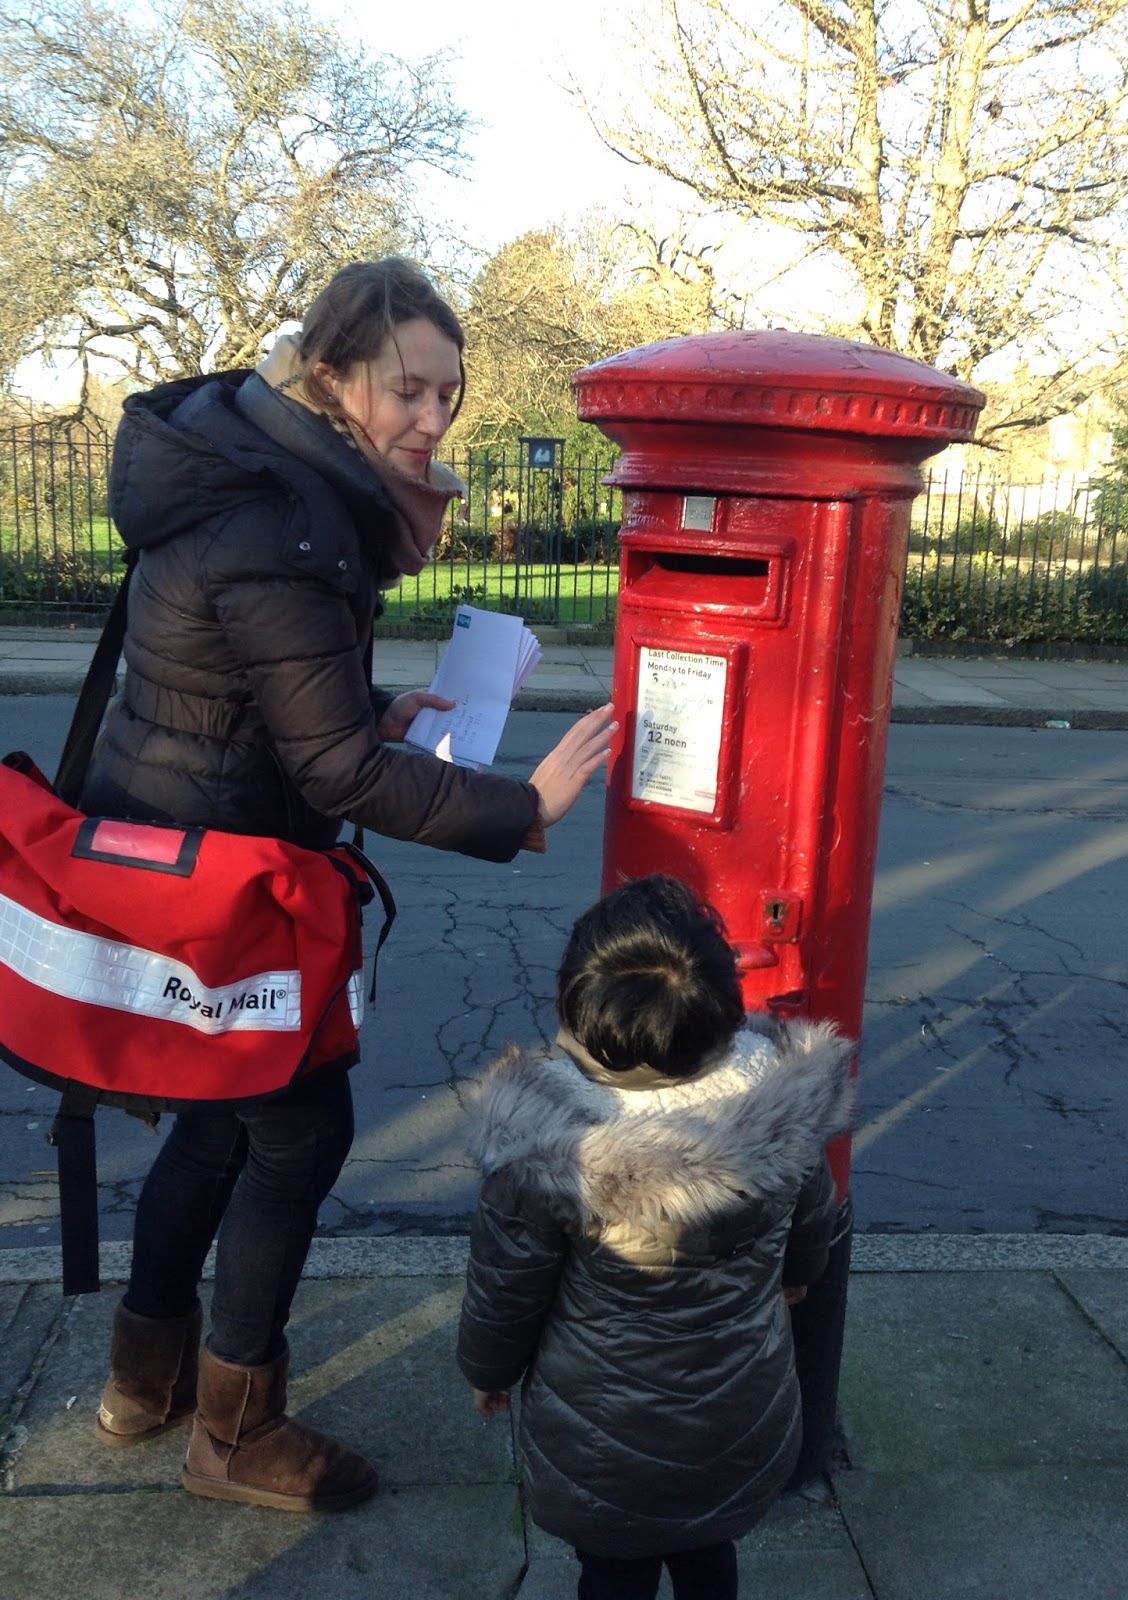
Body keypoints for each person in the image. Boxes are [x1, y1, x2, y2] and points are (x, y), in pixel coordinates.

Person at [83, 256, 616, 1514]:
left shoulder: (252, 468)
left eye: (450, 396)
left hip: (172, 848)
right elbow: (333, 771)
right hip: (220, 874)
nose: (432, 423)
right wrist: (519, 808)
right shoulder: (292, 517)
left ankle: (139, 1379)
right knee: (296, 1126)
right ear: (332, 376)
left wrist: (375, 699)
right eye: (409, 391)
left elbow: (245, 686)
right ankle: (237, 1433)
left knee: (223, 1119)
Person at [456, 874, 854, 1600]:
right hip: (740, 1405)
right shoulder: (782, 1114)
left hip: (601, 1430)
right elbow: (812, 1216)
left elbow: (505, 1291)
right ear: (725, 1004)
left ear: (576, 1002)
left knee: (612, 1569)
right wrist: (800, 1273)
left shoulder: (546, 1156)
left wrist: (486, 1372)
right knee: (709, 1551)